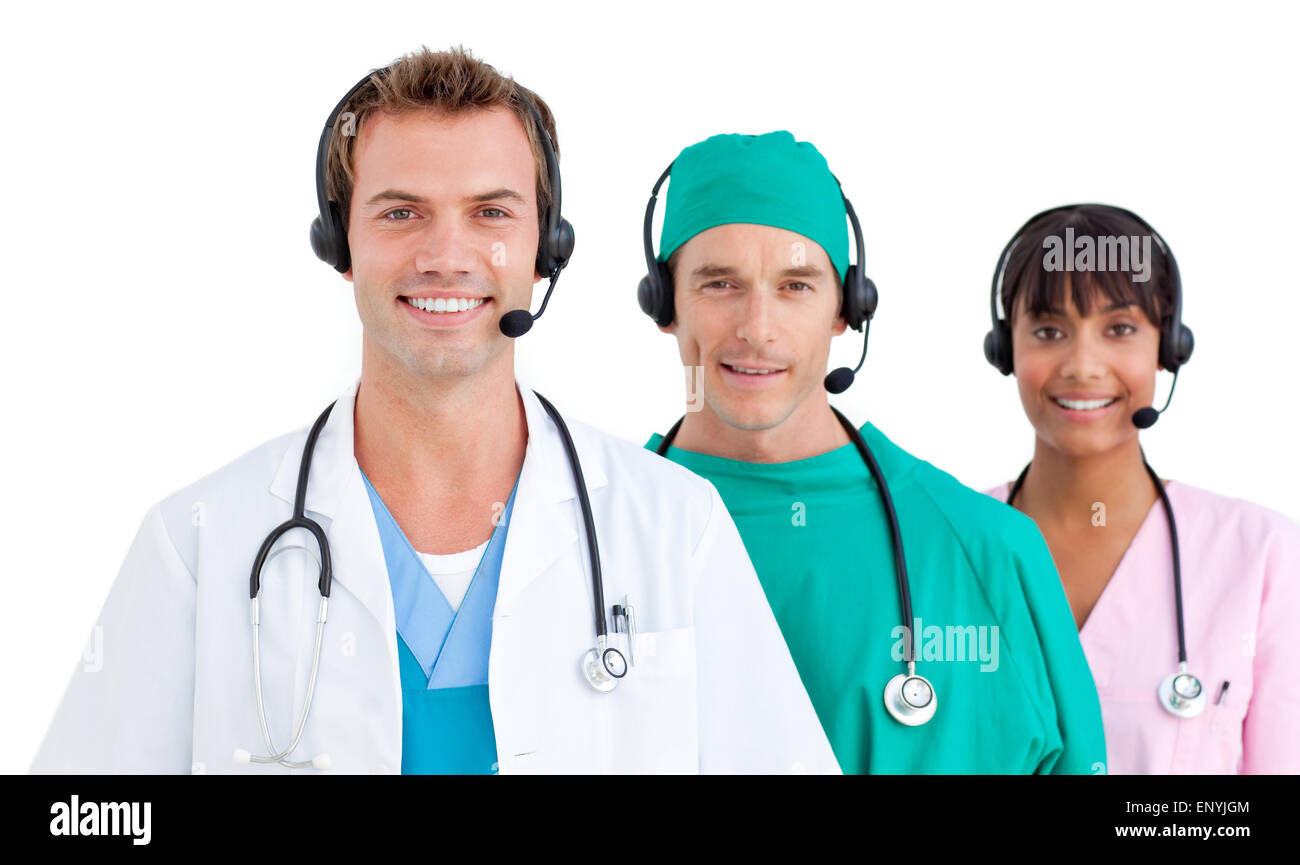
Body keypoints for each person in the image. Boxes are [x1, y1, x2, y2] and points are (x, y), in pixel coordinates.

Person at [30, 48, 837, 775]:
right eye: (400, 211)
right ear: (339, 245)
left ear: (545, 248)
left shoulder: (674, 528)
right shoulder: (201, 545)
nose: (446, 255)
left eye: (491, 212)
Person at [640, 131, 1106, 774]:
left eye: (796, 286)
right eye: (720, 283)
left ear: (847, 309)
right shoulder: (584, 536)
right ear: (663, 303)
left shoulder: (988, 551)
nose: (757, 327)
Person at [981, 203, 1300, 774]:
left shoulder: (1265, 557)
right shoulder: (944, 542)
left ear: (1168, 347)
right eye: (1049, 330)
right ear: (1006, 349)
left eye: (1120, 329)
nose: (1082, 365)